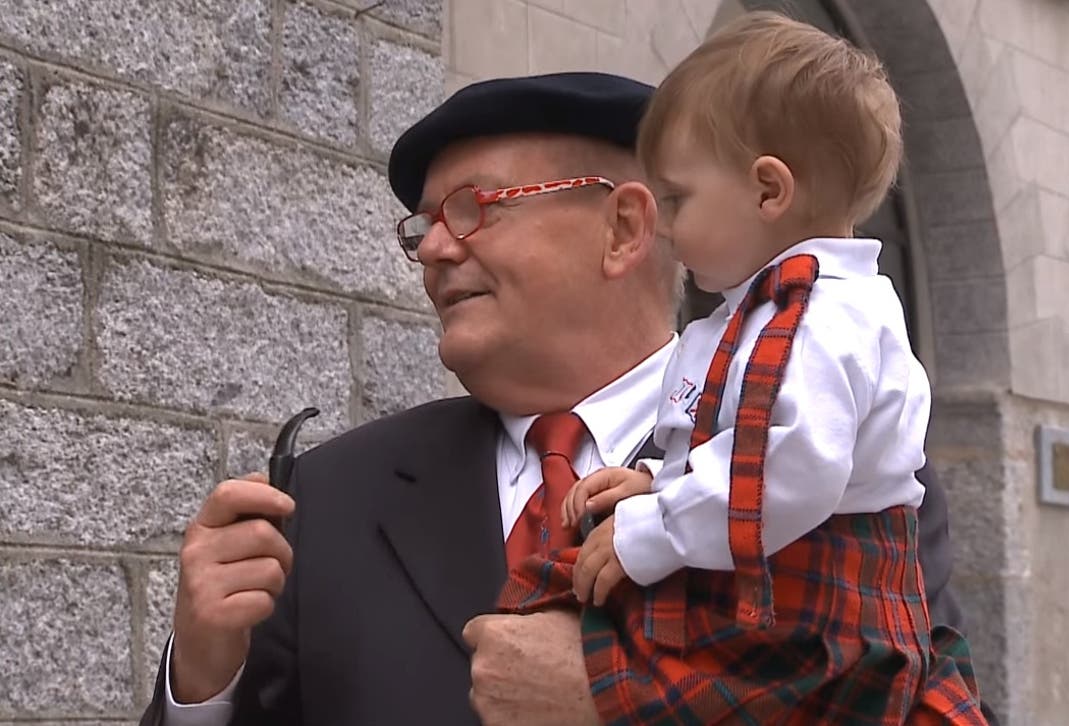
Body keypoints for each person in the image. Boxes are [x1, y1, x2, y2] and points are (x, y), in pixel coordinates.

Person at [138, 70, 970, 726]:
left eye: (472, 209)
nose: (433, 250)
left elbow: (919, 706)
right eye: (422, 229)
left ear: (624, 229)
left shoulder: (825, 468)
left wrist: (617, 702)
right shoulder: (331, 496)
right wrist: (203, 681)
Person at [492, 14, 986, 724]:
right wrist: (659, 480)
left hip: (807, 606)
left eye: (678, 199)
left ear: (767, 191)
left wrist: (651, 529)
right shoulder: (763, 312)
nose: (665, 226)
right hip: (778, 578)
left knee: (558, 596)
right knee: (552, 589)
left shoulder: (821, 319)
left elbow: (791, 472)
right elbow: (747, 452)